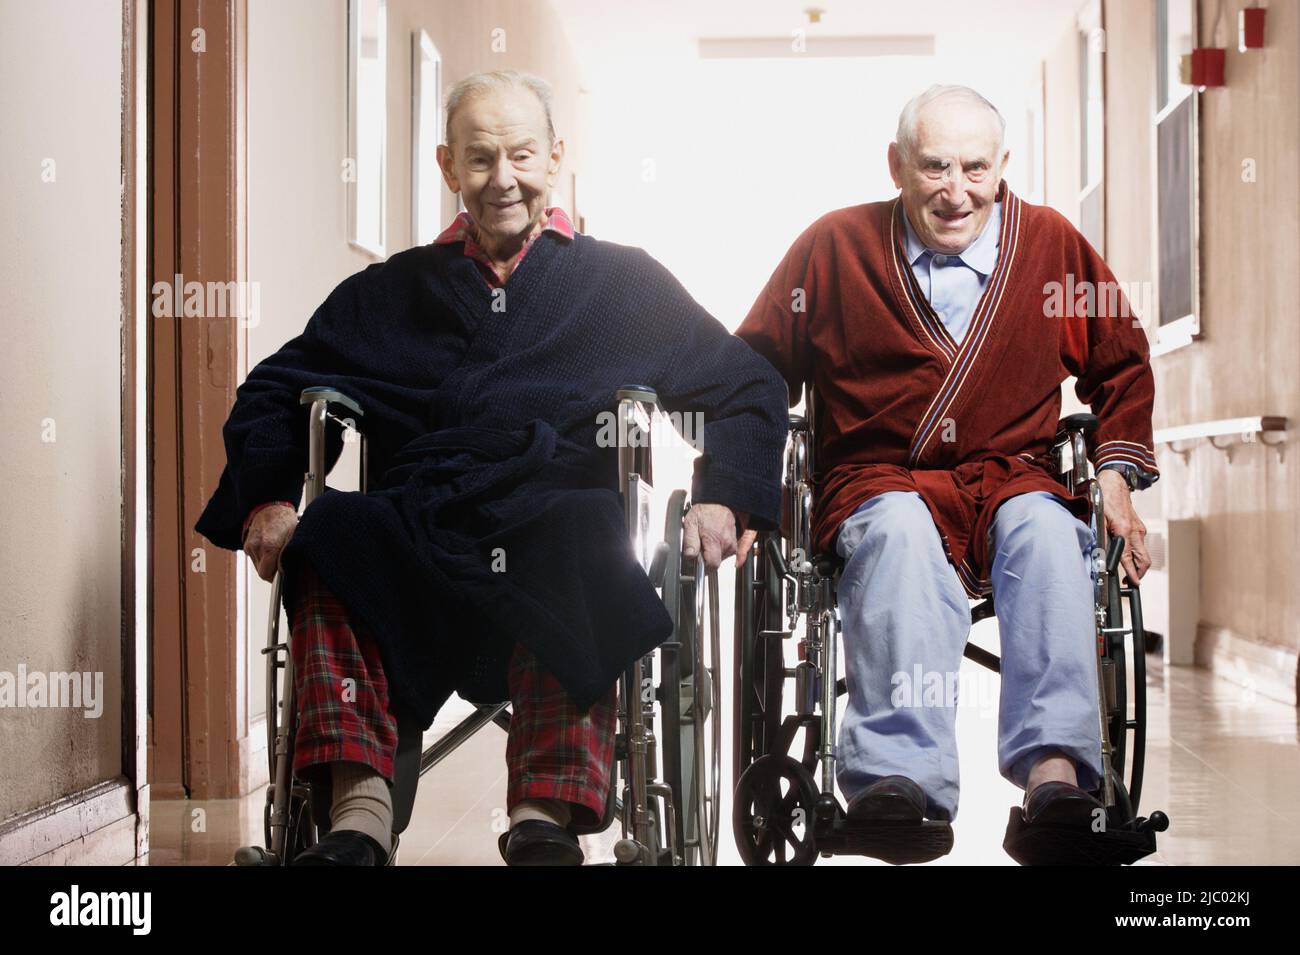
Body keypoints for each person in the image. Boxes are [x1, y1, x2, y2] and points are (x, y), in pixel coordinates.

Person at [196, 70, 787, 865]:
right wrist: (267, 494)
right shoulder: (390, 292)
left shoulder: (624, 283)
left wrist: (724, 500)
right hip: (415, 534)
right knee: (332, 532)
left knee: (584, 529)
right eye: (479, 159)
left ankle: (543, 813)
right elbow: (276, 385)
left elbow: (749, 382)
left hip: (553, 522)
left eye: (521, 155)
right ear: (447, 168)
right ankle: (357, 816)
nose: (502, 178)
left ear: (556, 157)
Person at [736, 84, 1157, 864]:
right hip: (878, 478)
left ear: (1002, 168)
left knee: (1047, 532)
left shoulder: (1053, 246)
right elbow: (755, 370)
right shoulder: (833, 248)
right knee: (895, 533)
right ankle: (897, 776)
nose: (954, 190)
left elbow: (1122, 365)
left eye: (974, 167)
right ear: (897, 165)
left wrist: (1117, 481)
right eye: (933, 167)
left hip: (1013, 479)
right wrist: (743, 486)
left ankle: (1056, 778)